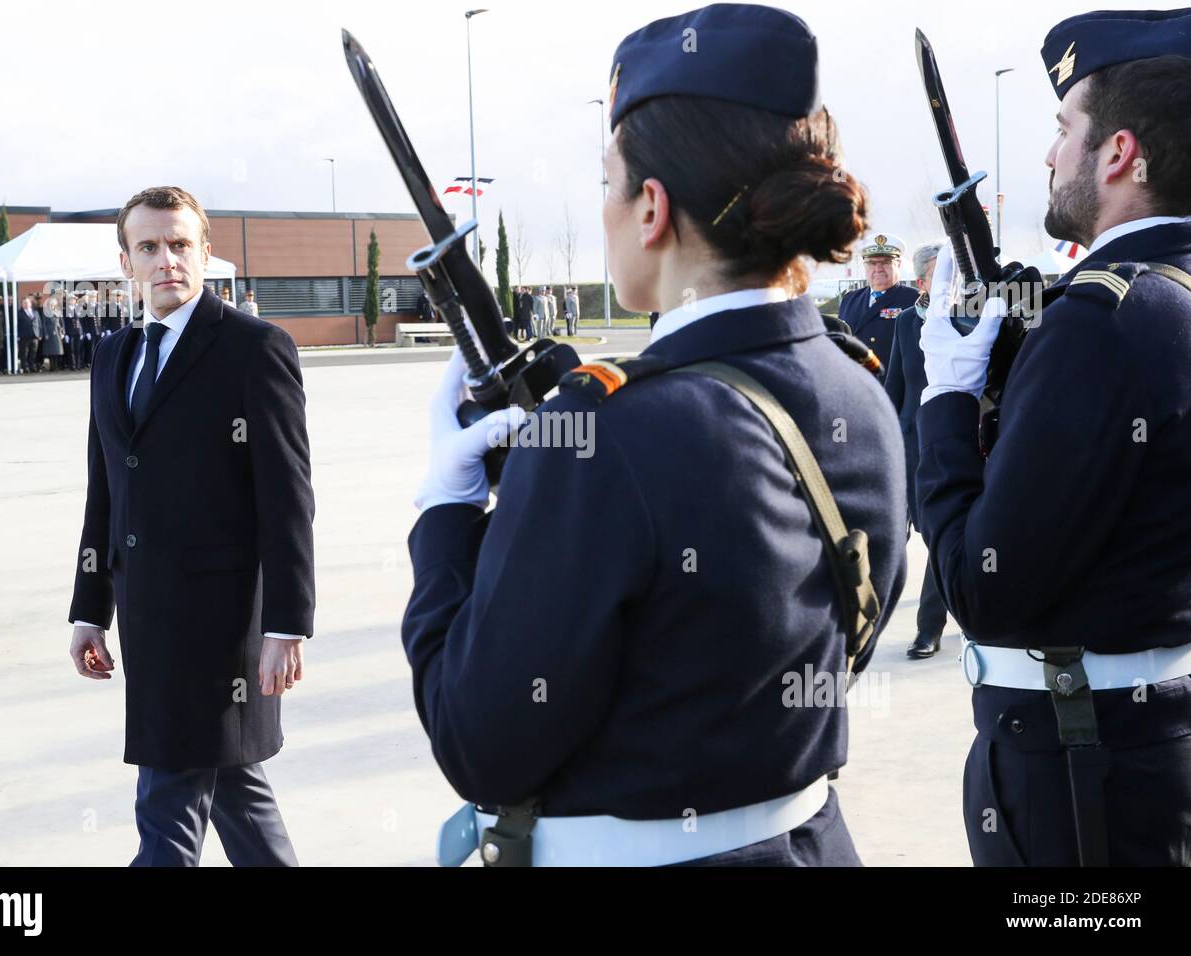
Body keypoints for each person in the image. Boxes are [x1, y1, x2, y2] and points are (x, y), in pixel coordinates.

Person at [401, 3, 907, 868]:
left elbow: (480, 743)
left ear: (651, 209)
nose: (604, 207)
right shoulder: (856, 385)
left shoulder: (609, 431)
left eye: (608, 184)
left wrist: (448, 514)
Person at [917, 8, 1191, 867]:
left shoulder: (1101, 320)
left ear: (1118, 153)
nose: (1048, 155)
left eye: (1063, 128)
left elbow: (984, 588)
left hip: (1080, 777)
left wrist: (948, 398)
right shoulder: (1162, 292)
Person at [67, 186, 315, 867]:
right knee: (236, 792)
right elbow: (106, 491)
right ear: (126, 262)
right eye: (148, 247)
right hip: (148, 620)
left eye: (180, 244)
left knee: (167, 809)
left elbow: (288, 497)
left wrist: (285, 625)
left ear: (206, 253)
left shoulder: (254, 347)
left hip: (220, 628)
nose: (166, 259)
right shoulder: (112, 356)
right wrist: (91, 606)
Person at [884, 242, 951, 658]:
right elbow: (895, 385)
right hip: (913, 444)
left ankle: (930, 627)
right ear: (922, 282)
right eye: (941, 274)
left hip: (958, 441)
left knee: (944, 533)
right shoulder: (906, 322)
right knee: (929, 534)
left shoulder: (975, 317)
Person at [838, 234, 919, 372]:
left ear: (898, 264)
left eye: (886, 262)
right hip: (857, 382)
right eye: (872, 263)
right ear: (864, 265)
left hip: (892, 384)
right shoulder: (849, 299)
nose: (878, 268)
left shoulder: (915, 299)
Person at [39, 293, 64, 372]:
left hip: (57, 332)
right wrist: (45, 333)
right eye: (51, 304)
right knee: (50, 351)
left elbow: (62, 323)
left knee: (57, 351)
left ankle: (56, 366)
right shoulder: (45, 312)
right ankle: (52, 367)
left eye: (53, 304)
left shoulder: (58, 312)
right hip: (49, 333)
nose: (52, 305)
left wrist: (63, 332)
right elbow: (43, 324)